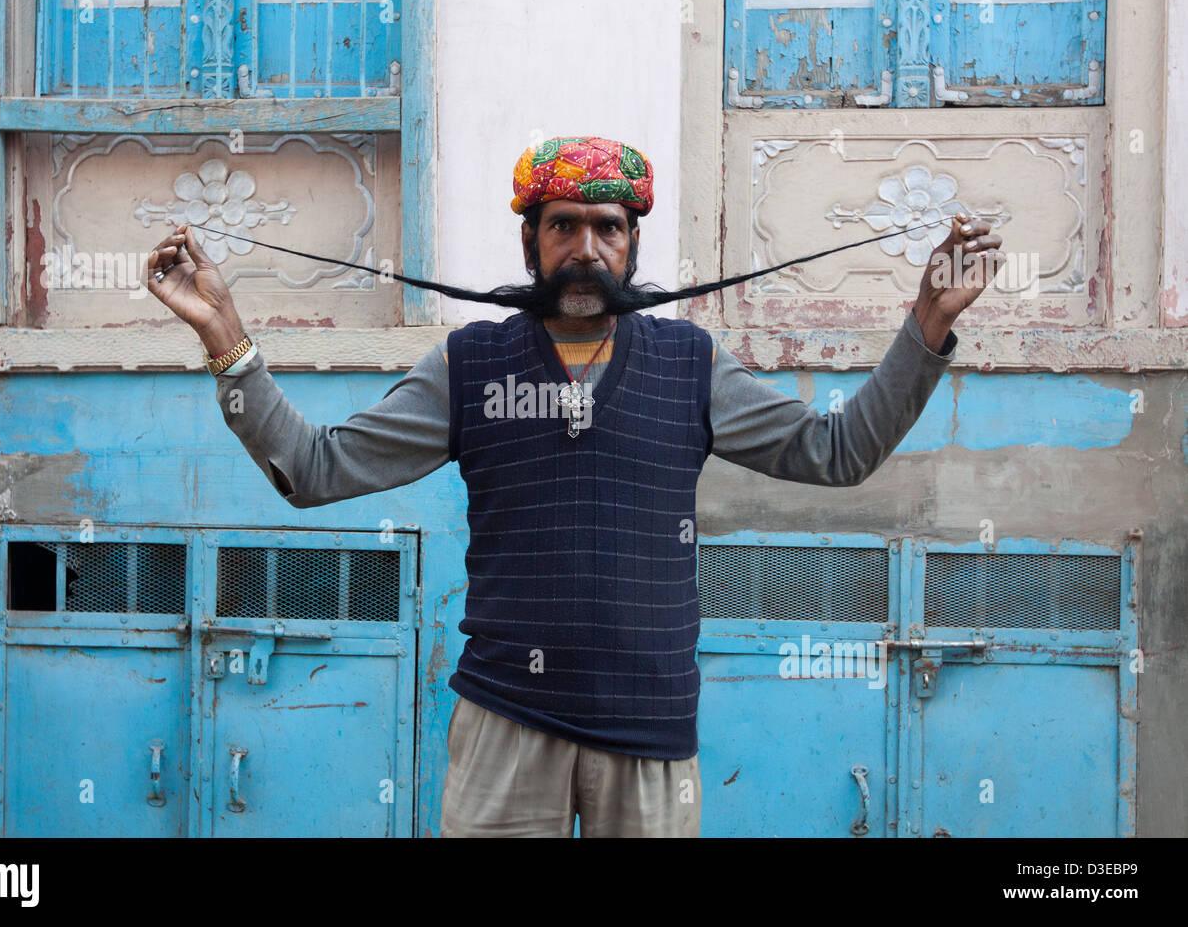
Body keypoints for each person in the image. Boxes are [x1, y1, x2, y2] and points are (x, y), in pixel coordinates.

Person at [145, 135, 1002, 837]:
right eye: (562, 227)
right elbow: (315, 468)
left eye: (607, 228)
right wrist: (224, 333)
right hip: (505, 720)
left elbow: (838, 451)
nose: (585, 249)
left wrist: (928, 323)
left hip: (651, 730)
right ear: (530, 242)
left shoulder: (691, 364)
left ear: (633, 245)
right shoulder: (468, 365)